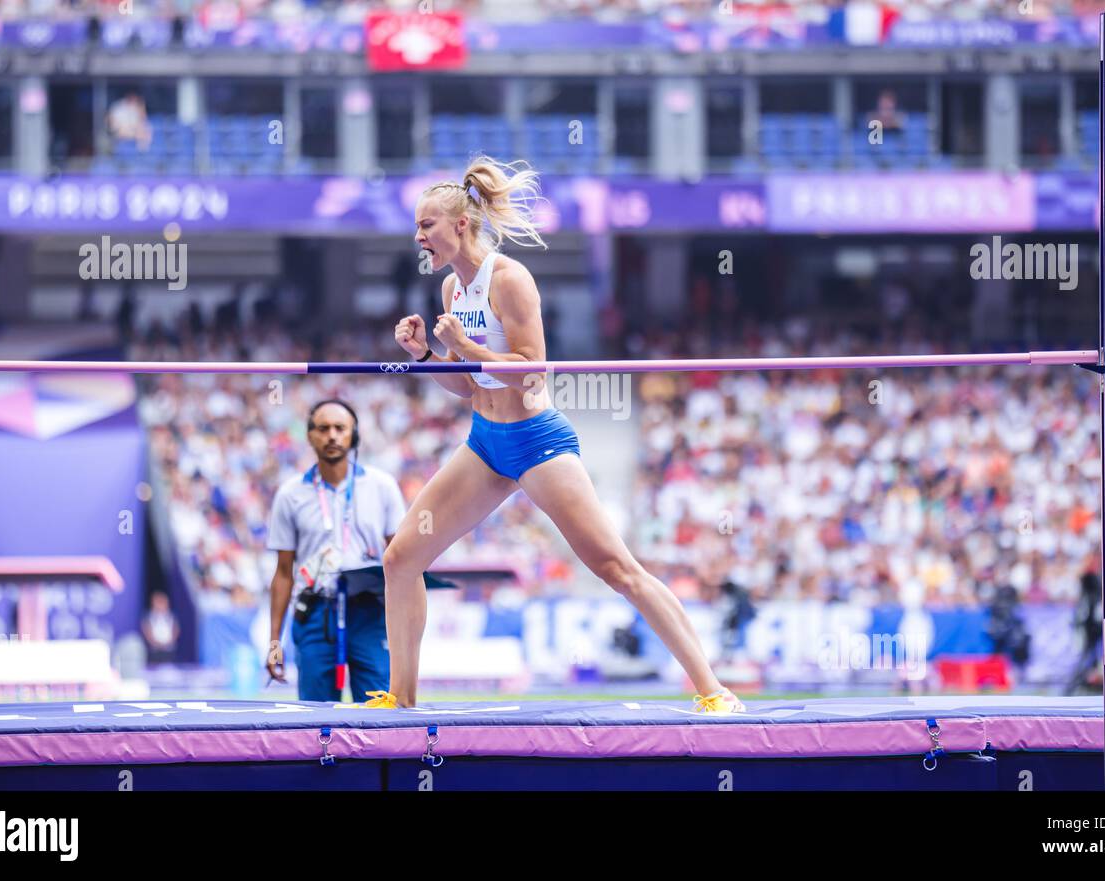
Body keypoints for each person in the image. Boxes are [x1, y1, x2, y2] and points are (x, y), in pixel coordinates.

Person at [369, 155, 745, 714]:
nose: (418, 236)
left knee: (617, 569)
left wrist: (467, 349)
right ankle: (401, 699)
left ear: (461, 226)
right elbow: (470, 389)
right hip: (485, 443)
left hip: (536, 442)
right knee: (401, 557)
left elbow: (533, 369)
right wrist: (424, 354)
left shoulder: (510, 279)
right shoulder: (451, 291)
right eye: (417, 227)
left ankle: (713, 691)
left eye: (426, 225)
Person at [264, 399, 405, 701]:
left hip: (369, 610)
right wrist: (275, 640)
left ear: (353, 435)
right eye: (323, 428)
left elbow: (400, 560)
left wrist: (404, 624)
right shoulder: (290, 495)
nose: (331, 436)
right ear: (310, 436)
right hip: (315, 609)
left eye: (340, 428)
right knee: (315, 716)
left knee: (379, 707)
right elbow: (283, 573)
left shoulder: (382, 486)